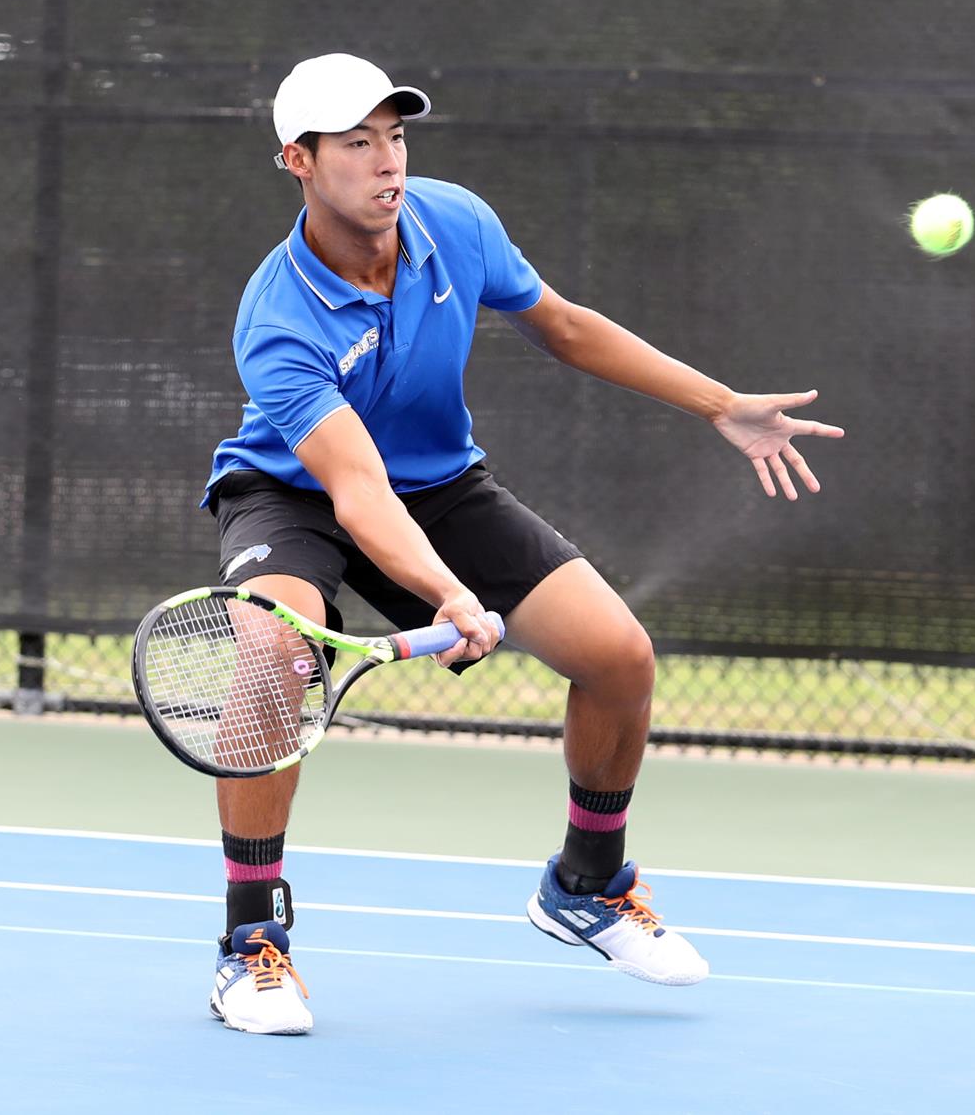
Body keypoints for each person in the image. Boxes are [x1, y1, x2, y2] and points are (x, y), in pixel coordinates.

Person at [203, 52, 844, 1036]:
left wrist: (720, 403)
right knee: (272, 651)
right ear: (297, 159)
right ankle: (250, 941)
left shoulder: (452, 222)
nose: (387, 161)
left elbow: (565, 327)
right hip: (295, 492)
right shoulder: (278, 315)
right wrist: (449, 595)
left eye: (396, 135)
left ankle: (585, 882)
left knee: (619, 657)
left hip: (440, 483)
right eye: (357, 142)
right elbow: (357, 489)